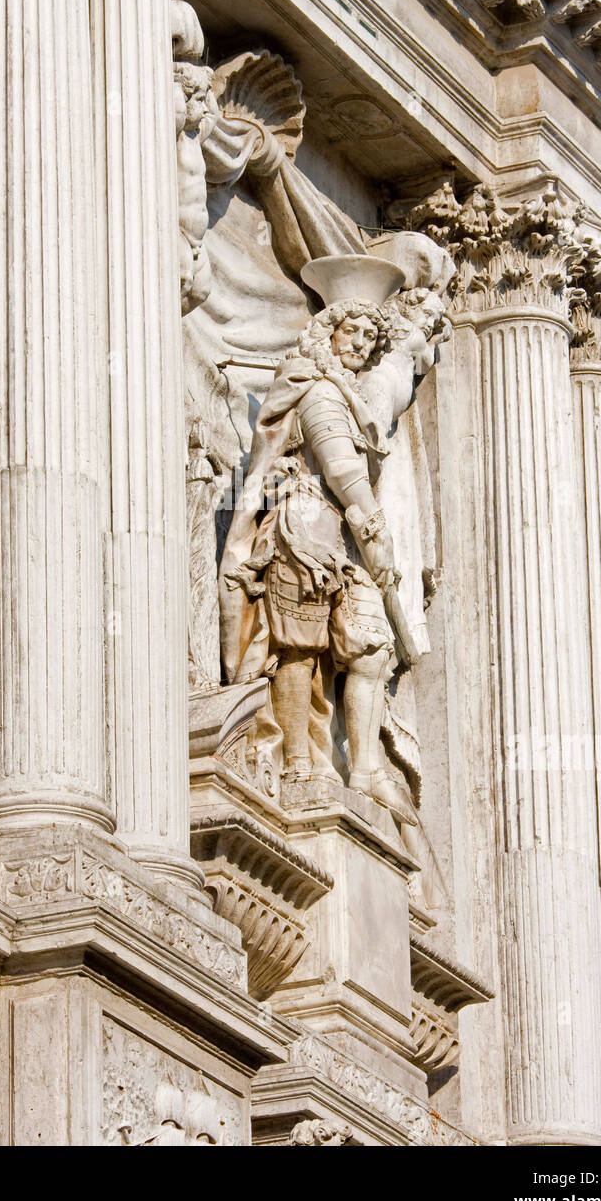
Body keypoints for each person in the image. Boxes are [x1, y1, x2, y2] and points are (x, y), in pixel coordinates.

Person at [220, 253, 417, 813]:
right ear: (328, 332)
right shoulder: (315, 387)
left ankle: (366, 769)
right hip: (305, 527)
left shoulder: (347, 394)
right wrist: (370, 519)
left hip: (344, 536)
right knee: (300, 646)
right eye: (351, 330)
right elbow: (337, 464)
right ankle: (300, 763)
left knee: (372, 648)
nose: (359, 342)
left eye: (369, 337)